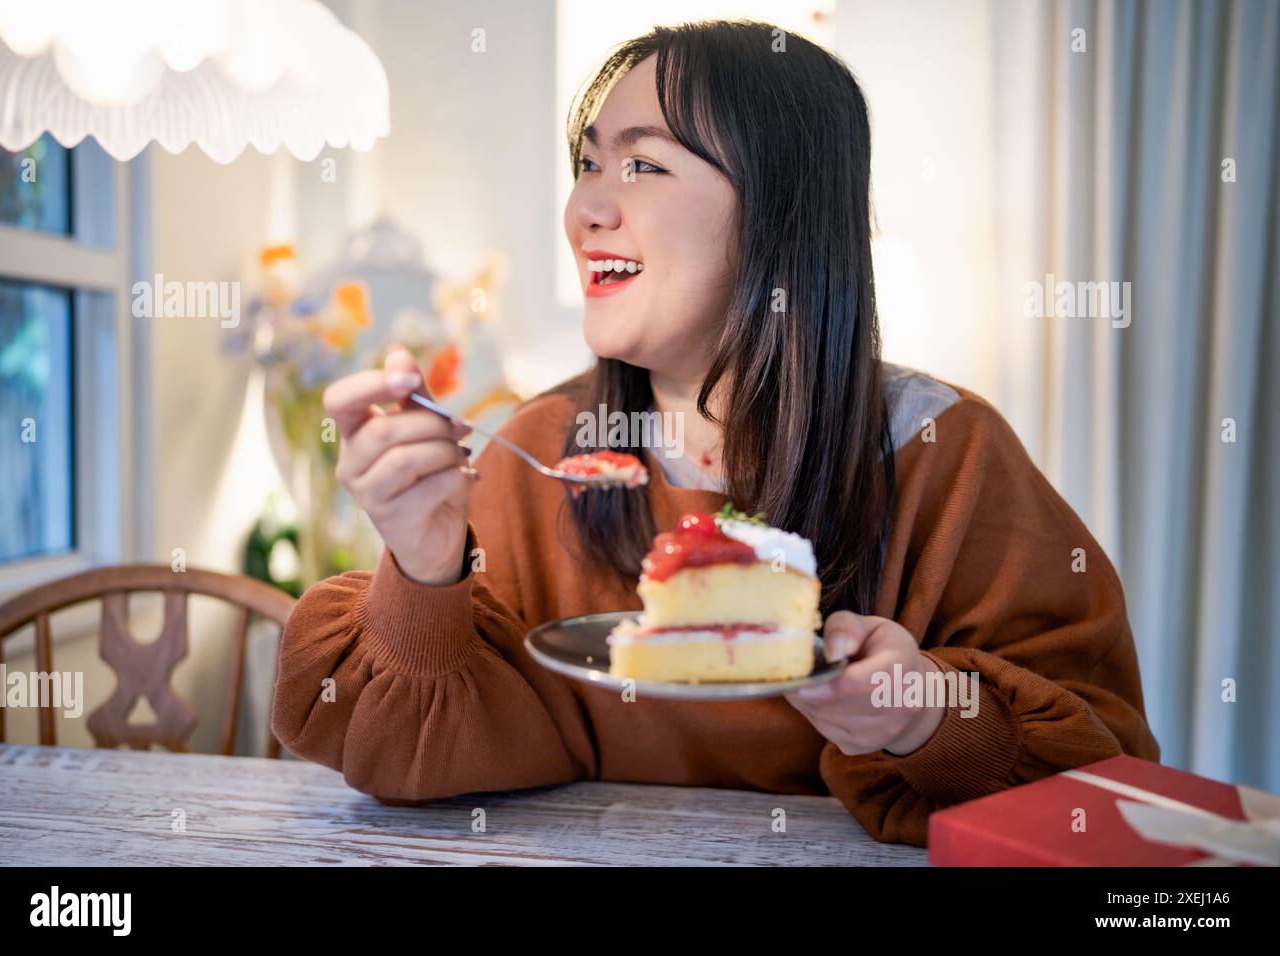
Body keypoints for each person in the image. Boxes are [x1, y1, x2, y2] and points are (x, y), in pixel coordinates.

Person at [271, 20, 1159, 847]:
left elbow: (1106, 798)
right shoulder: (538, 449)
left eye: (642, 167)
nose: (586, 209)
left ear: (782, 211)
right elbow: (407, 767)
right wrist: (426, 569)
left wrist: (926, 717)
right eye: (586, 165)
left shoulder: (945, 456)